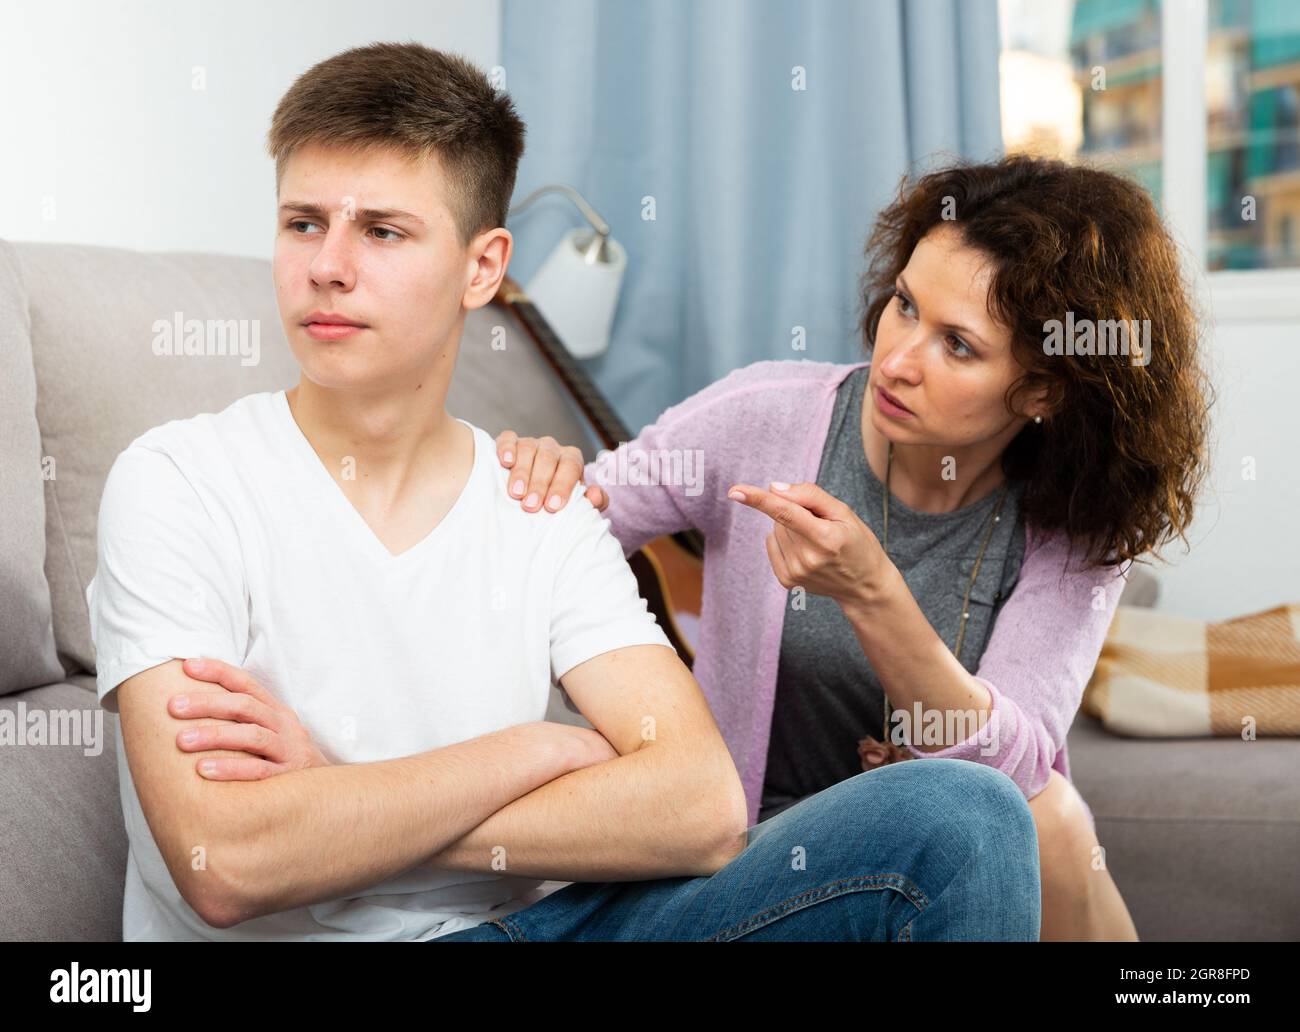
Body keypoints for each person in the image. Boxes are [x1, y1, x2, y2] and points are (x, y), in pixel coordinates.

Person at [87, 42, 1041, 942]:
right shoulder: (177, 484)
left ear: (484, 268)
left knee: (963, 816)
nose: (327, 265)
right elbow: (226, 860)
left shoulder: (535, 501)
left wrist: (338, 796)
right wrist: (544, 750)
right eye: (303, 223)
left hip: (522, 929)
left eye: (382, 230)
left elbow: (703, 807)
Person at [493, 154, 1213, 940]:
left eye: (958, 346)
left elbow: (1015, 768)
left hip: (943, 862)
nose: (897, 360)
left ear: (1042, 388)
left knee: (1049, 816)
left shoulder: (1078, 522)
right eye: (904, 305)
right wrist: (545, 482)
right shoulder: (765, 417)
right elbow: (568, 530)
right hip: (748, 856)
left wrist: (874, 594)